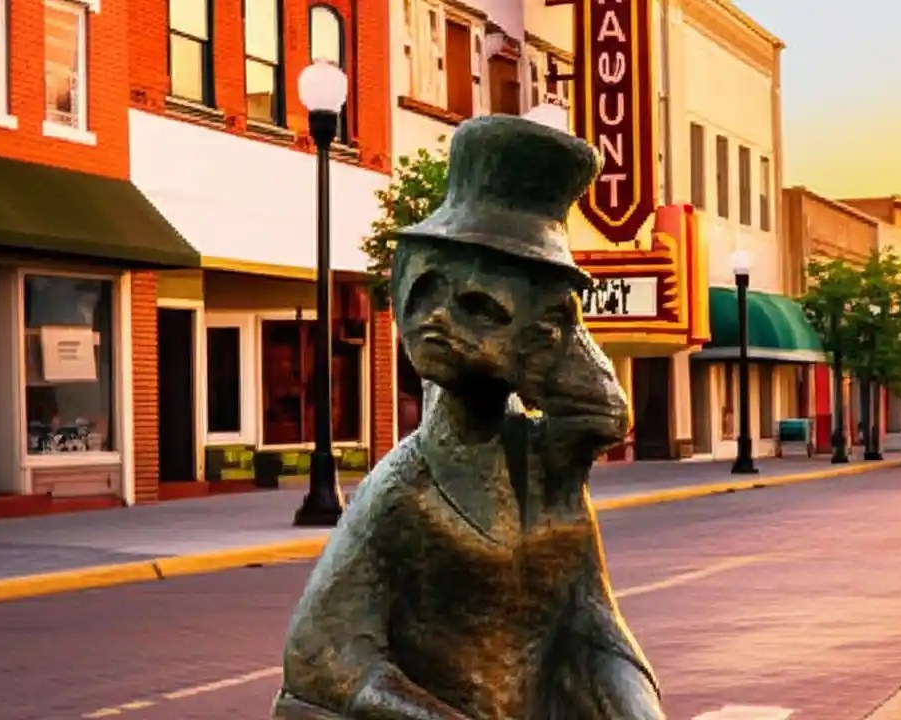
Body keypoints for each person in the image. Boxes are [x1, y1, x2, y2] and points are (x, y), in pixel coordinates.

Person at [273, 115, 664, 720]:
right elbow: (321, 655)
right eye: (426, 292)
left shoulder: (550, 485)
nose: (438, 320)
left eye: (479, 306)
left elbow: (591, 630)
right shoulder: (403, 491)